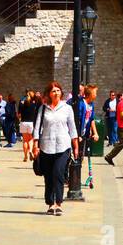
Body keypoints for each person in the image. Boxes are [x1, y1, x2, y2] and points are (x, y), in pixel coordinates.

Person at [32, 81, 78, 214]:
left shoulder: (67, 108)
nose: (56, 93)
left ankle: (58, 203)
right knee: (48, 176)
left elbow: (72, 128)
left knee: (58, 173)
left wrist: (75, 146)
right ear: (49, 94)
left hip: (63, 146)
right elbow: (37, 127)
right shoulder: (43, 108)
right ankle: (50, 203)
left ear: (61, 93)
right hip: (46, 146)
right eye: (53, 91)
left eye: (58, 90)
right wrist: (36, 145)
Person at [19, 90, 37, 161]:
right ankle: (30, 151)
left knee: (25, 140)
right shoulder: (34, 104)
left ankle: (25, 156)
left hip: (23, 122)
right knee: (31, 139)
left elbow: (19, 114)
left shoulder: (22, 104)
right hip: (31, 123)